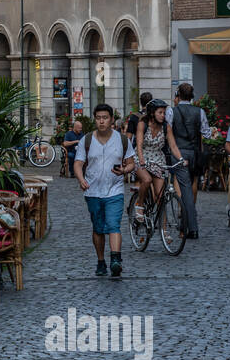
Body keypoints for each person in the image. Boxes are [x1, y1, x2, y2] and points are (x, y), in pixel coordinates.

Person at [74, 104, 136, 278]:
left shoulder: (122, 140)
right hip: (92, 191)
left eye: (105, 117)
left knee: (113, 224)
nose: (101, 121)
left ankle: (116, 260)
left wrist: (124, 170)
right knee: (99, 228)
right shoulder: (86, 140)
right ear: (95, 119)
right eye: (98, 118)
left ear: (111, 119)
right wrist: (81, 179)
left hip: (114, 189)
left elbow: (131, 163)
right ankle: (101, 261)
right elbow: (78, 163)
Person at [166, 83, 209, 238]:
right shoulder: (200, 112)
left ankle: (190, 226)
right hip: (195, 152)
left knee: (184, 189)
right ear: (192, 96)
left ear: (178, 95)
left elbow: (168, 130)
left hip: (179, 153)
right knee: (191, 185)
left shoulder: (172, 111)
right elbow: (206, 133)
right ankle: (188, 222)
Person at [134, 99, 185, 217]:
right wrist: (141, 159)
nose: (163, 115)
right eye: (160, 113)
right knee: (147, 180)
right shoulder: (143, 124)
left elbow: (173, 146)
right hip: (141, 157)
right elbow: (139, 144)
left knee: (160, 197)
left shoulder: (166, 127)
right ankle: (139, 205)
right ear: (152, 113)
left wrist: (181, 159)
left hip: (158, 159)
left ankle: (164, 231)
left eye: (164, 113)